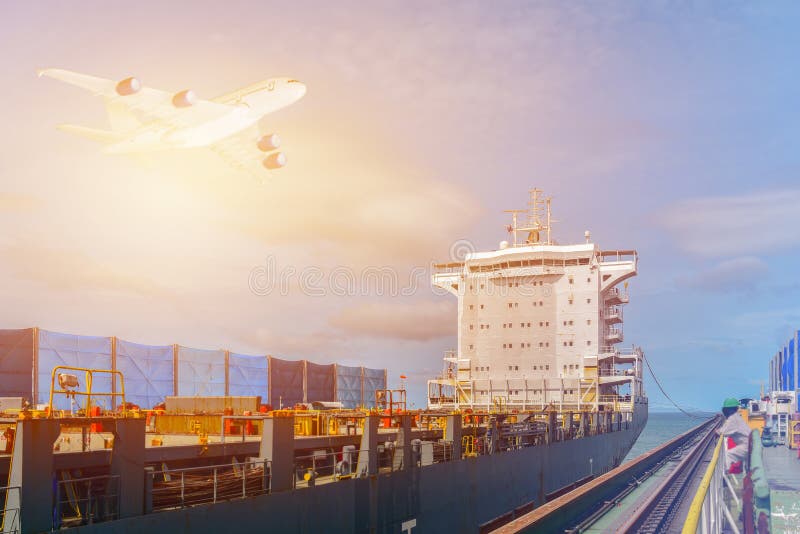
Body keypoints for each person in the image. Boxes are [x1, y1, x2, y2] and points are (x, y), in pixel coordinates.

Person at [719, 397, 750, 474]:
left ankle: (724, 473)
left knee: (728, 454)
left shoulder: (733, 419)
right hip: (751, 444)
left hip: (747, 446)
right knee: (749, 468)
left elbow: (723, 432)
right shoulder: (737, 417)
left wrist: (717, 431)